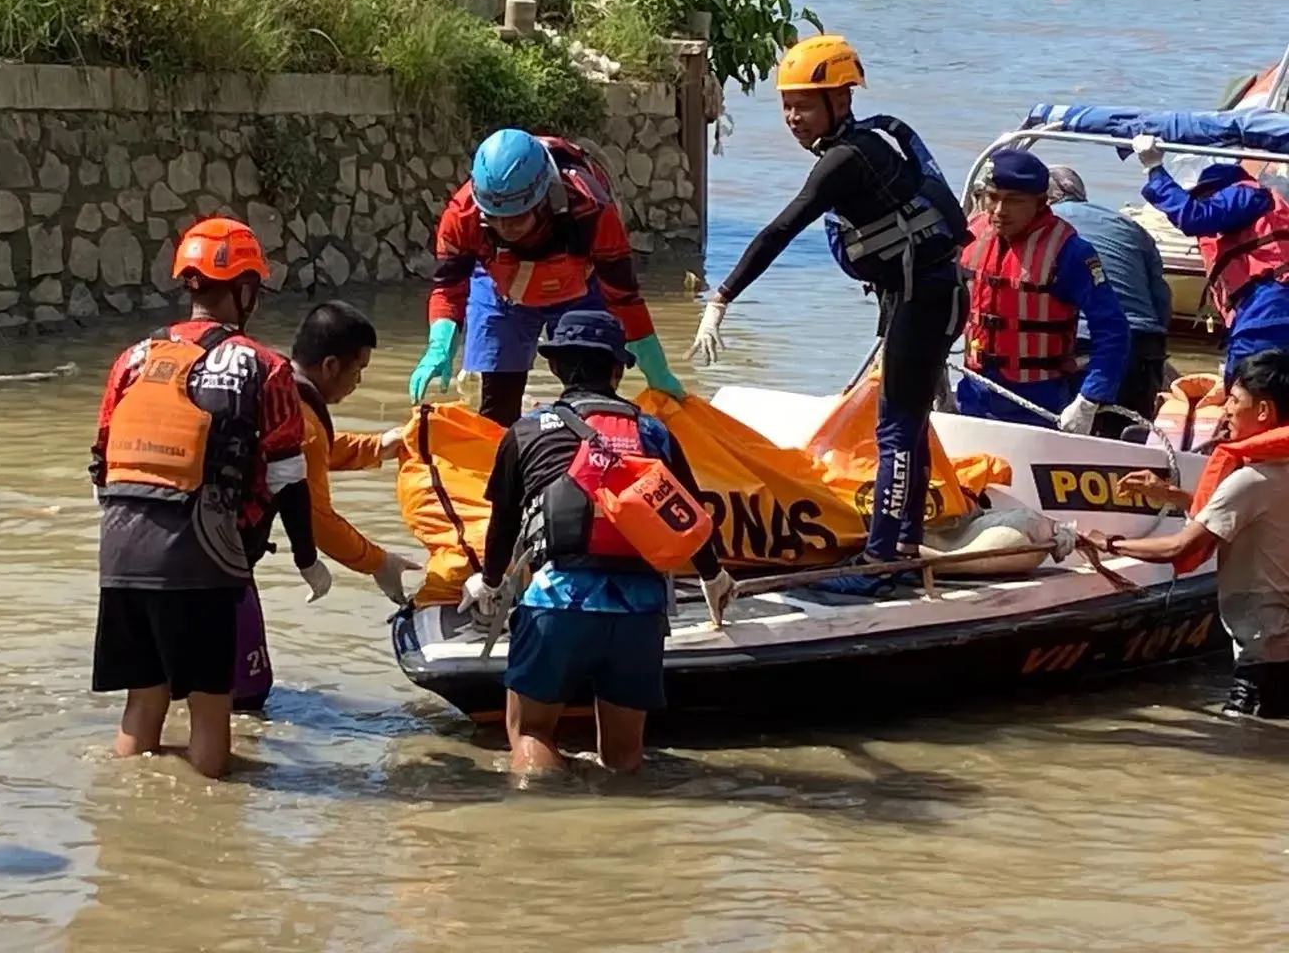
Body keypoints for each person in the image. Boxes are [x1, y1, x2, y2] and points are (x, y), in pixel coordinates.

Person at [689, 34, 971, 593]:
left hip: (926, 297)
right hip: (922, 294)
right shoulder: (863, 145)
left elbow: (781, 229)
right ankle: (901, 544)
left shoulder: (846, 158)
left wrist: (721, 297)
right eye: (787, 104)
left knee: (895, 428)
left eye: (806, 104)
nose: (794, 116)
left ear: (841, 102)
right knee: (906, 424)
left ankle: (882, 559)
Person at [89, 217, 327, 779]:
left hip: (120, 555)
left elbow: (101, 463)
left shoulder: (132, 359)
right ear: (245, 290)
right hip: (198, 561)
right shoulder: (265, 368)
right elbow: (289, 478)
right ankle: (212, 831)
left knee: (142, 703)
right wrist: (307, 558)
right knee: (209, 710)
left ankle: (128, 822)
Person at [463, 310, 736, 773]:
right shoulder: (653, 432)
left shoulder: (527, 431)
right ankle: (625, 841)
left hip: (557, 603)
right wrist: (714, 577)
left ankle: (532, 832)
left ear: (555, 367)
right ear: (617, 370)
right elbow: (690, 516)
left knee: (531, 733)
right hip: (640, 611)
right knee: (626, 753)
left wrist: (489, 586)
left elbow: (503, 525)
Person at [408, 128, 684, 427]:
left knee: (592, 396)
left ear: (541, 200)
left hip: (581, 292)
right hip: (502, 293)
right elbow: (449, 288)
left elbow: (624, 297)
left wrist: (657, 371)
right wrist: (440, 344)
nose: (505, 227)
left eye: (516, 218)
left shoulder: (590, 210)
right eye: (494, 217)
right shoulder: (464, 215)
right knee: (497, 408)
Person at [1079, 349, 1289, 719]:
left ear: (1263, 412)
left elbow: (1178, 549)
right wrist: (1170, 494)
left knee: (1239, 750)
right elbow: (1241, 516)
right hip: (1282, 649)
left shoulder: (1250, 480)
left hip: (1263, 657)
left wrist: (1105, 542)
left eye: (1234, 402)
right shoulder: (1274, 473)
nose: (1225, 412)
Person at [956, 150, 1129, 433]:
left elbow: (1112, 329)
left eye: (1013, 201)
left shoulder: (1070, 252)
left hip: (1037, 398)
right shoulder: (970, 236)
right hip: (974, 389)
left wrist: (1091, 397)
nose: (999, 210)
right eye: (993, 197)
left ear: (1040, 203)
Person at [290, 301, 419, 605]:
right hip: (205, 561)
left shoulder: (278, 389)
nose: (359, 382)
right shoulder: (304, 422)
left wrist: (377, 447)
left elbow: (309, 451)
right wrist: (378, 563)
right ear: (331, 366)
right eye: (358, 369)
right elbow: (318, 522)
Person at [1136, 139, 1289, 381]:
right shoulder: (1250, 210)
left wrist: (1155, 169)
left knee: (1247, 384)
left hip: (1270, 307)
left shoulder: (1245, 194)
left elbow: (1193, 217)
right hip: (1262, 308)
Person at [1046, 164, 1173, 438]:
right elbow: (1160, 299)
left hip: (1082, 343)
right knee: (1128, 435)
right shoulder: (1130, 225)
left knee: (1065, 434)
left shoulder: (1045, 226)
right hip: (1144, 344)